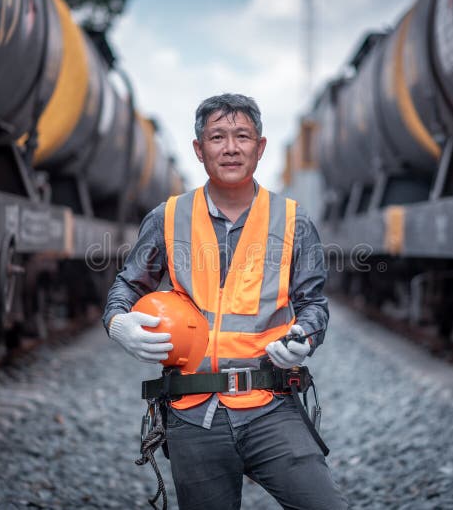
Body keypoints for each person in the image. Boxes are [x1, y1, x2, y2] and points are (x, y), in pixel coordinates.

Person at [103, 93, 346, 509]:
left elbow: (313, 305)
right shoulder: (168, 217)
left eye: (242, 136)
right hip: (192, 414)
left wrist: (305, 336)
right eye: (217, 136)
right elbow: (128, 286)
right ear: (199, 150)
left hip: (271, 406)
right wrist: (117, 322)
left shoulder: (293, 221)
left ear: (260, 147)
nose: (231, 147)